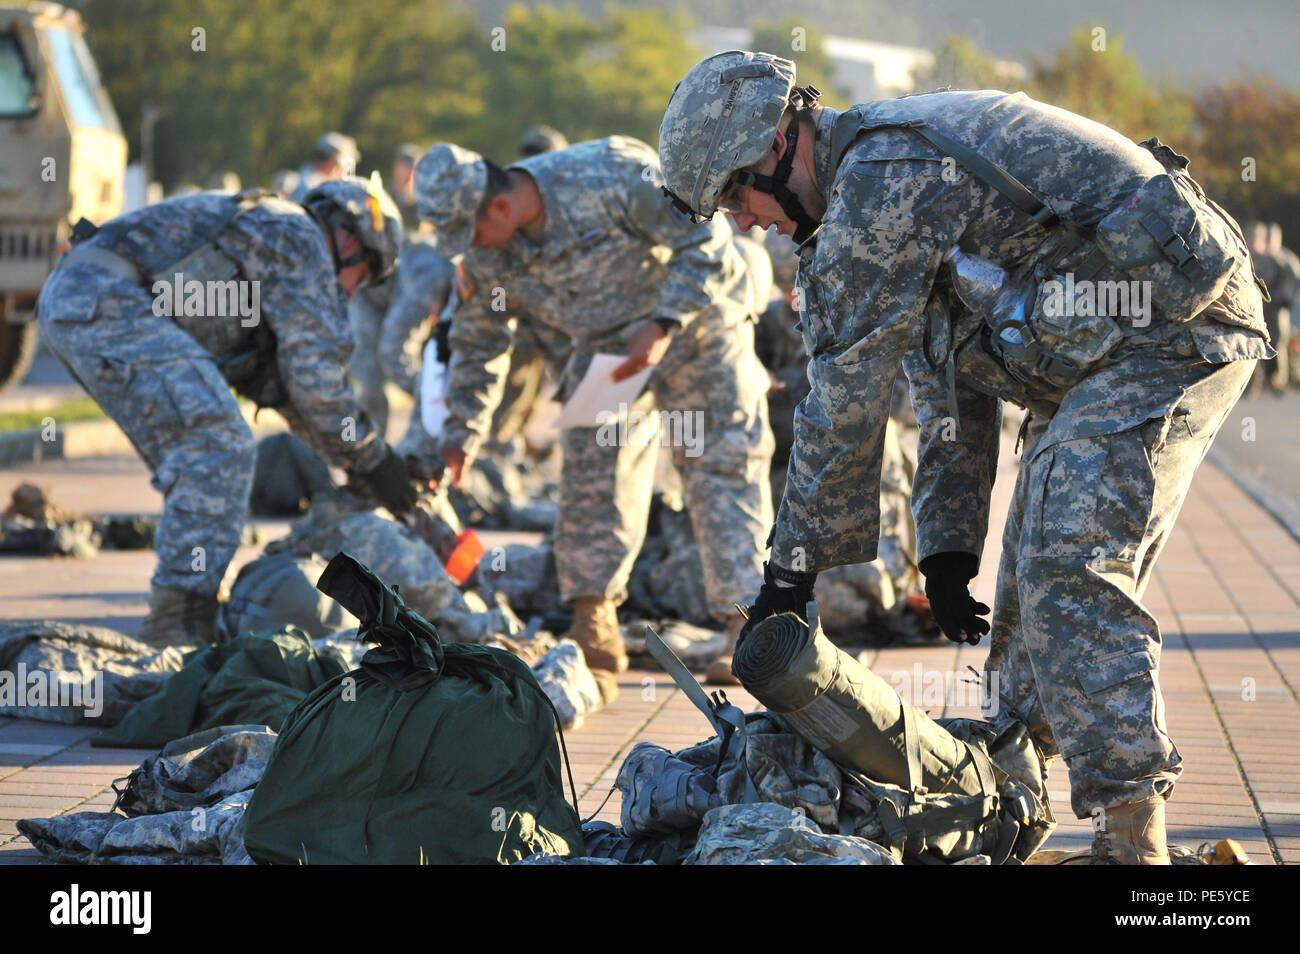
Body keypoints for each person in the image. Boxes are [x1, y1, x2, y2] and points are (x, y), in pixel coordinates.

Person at [658, 50, 1270, 863]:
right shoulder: (867, 190)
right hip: (1099, 353)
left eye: (736, 194)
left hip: (1171, 332)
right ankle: (1012, 792)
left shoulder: (881, 182)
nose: (742, 219)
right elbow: (945, 371)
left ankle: (1132, 836)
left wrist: (788, 579)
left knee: (1068, 565)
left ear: (778, 145)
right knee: (1025, 584)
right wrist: (949, 548)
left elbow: (843, 405)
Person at [414, 139, 775, 696]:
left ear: (501, 208)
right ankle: (593, 622)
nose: (473, 252)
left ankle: (746, 627)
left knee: (717, 465)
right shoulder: (488, 253)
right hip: (607, 346)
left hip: (696, 327)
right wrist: (461, 438)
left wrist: (661, 323)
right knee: (590, 470)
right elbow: (480, 339)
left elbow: (706, 237)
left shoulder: (611, 175)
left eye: (472, 236)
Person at [36, 177, 417, 646]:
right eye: (363, 277)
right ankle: (176, 626)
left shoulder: (270, 238)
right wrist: (376, 460)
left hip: (83, 299)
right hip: (107, 299)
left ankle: (188, 612)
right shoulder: (299, 235)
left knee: (199, 457)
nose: (352, 295)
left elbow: (295, 398)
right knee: (219, 445)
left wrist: (364, 463)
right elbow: (317, 380)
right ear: (352, 240)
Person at [290, 132, 360, 203]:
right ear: (332, 162)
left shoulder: (305, 178)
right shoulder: (314, 188)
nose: (345, 171)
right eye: (345, 166)